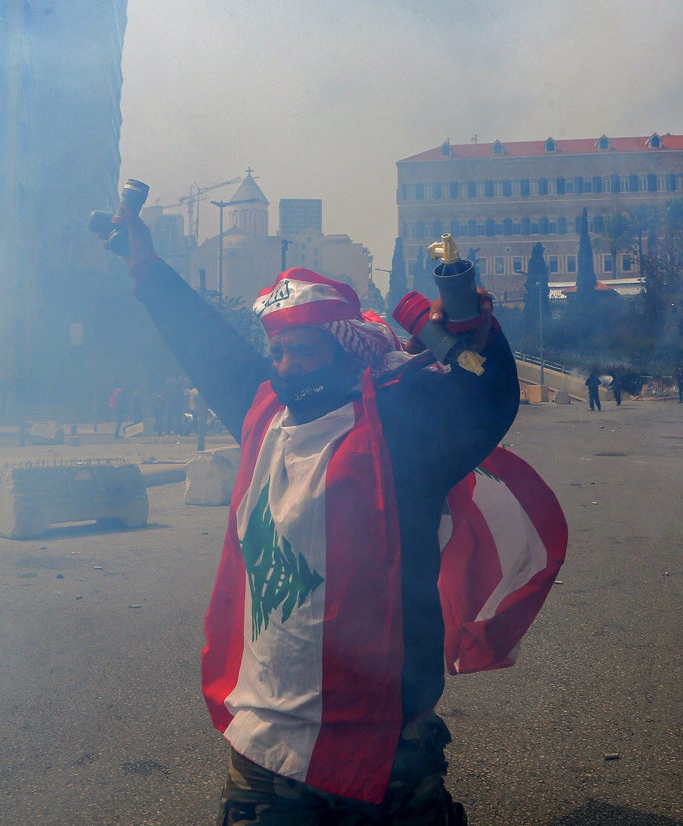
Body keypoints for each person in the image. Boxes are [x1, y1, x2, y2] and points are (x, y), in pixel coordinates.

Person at [109, 206, 529, 824]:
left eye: (302, 351)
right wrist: (147, 268)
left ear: (345, 350)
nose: (284, 366)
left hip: (383, 735)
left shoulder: (400, 430)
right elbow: (210, 349)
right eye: (277, 352)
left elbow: (486, 399)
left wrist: (479, 335)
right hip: (268, 738)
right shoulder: (264, 418)